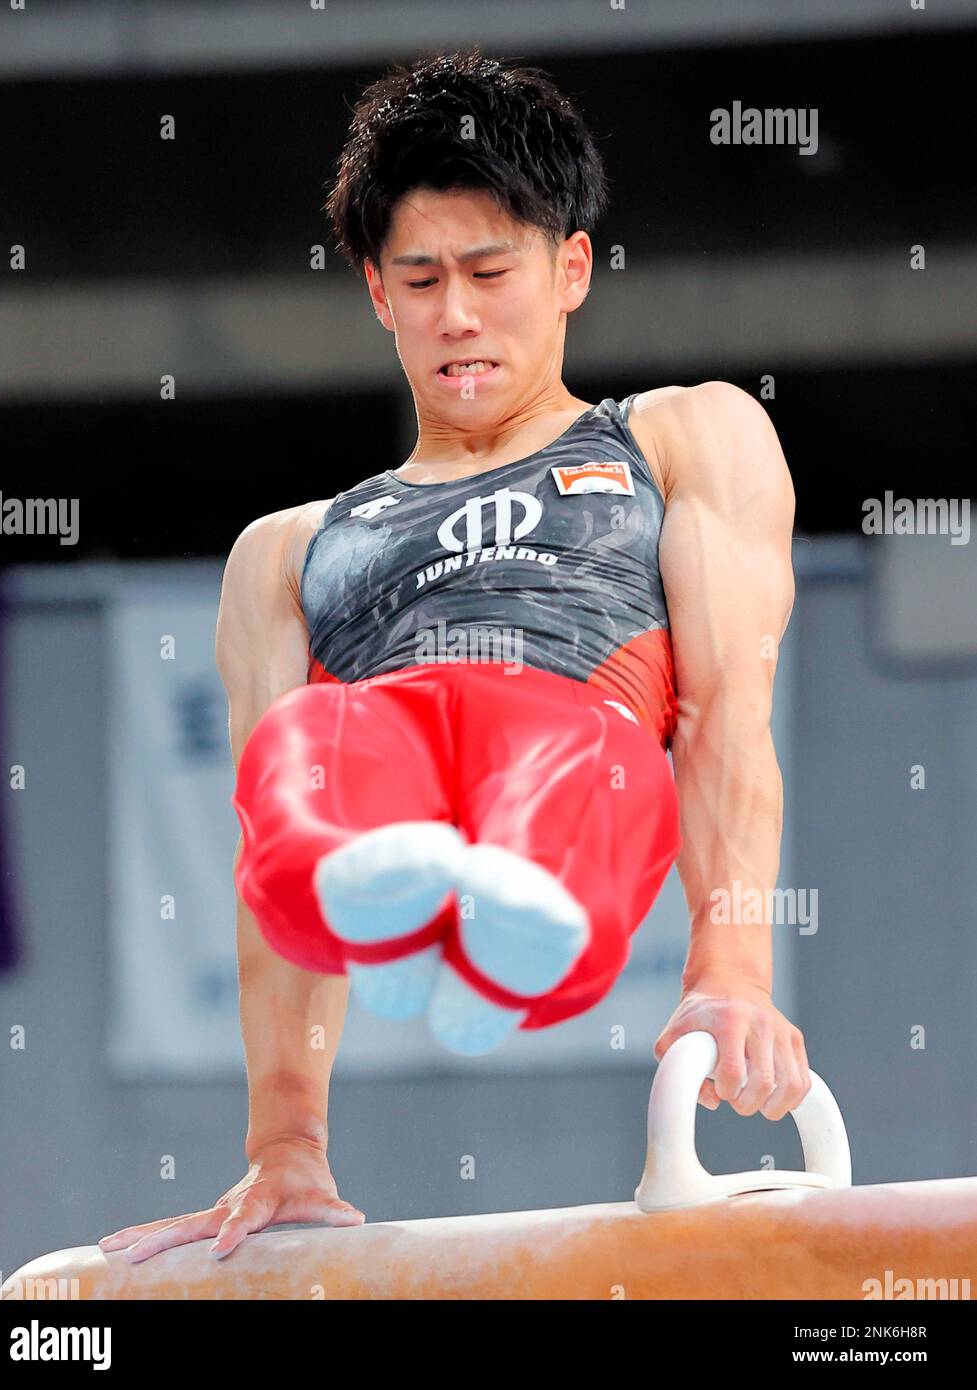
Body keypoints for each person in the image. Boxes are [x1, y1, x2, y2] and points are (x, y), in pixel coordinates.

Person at [99, 48, 805, 1265]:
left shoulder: (682, 440)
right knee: (308, 757)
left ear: (571, 267)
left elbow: (730, 714)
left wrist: (731, 968)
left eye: (490, 271)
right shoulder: (290, 551)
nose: (457, 315)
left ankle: (505, 923)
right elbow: (263, 842)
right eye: (419, 278)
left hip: (579, 758)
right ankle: (431, 900)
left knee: (572, 763)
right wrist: (286, 1143)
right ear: (376, 291)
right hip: (383, 781)